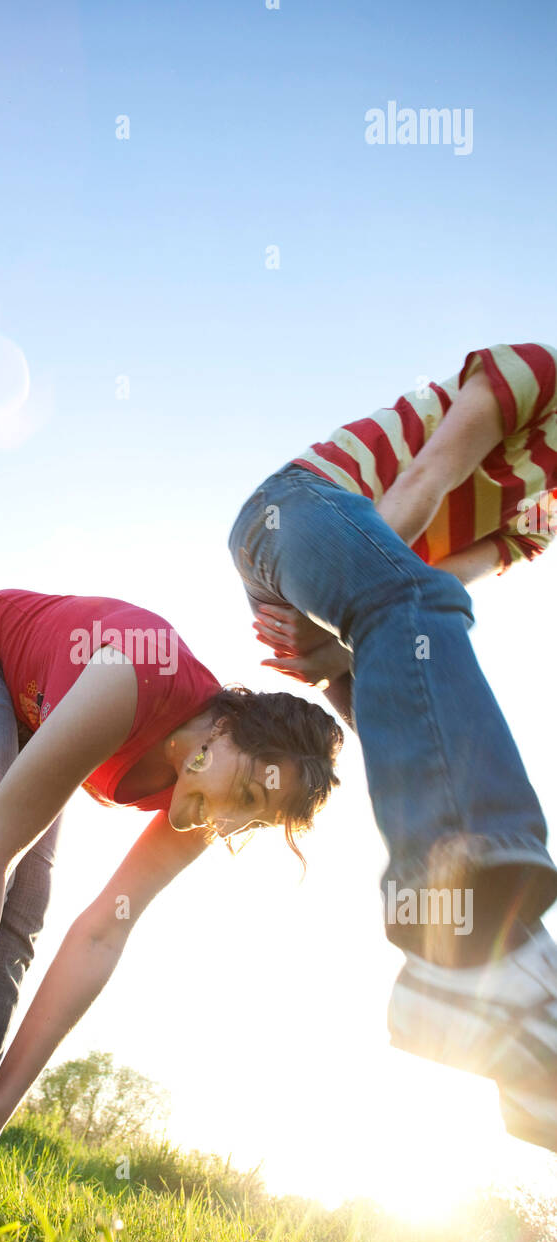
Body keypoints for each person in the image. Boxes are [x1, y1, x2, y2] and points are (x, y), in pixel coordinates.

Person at [0, 589, 343, 1195]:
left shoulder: (204, 793)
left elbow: (103, 933)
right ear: (228, 731)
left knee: (20, 917)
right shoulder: (137, 674)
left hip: (36, 724)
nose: (231, 824)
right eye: (251, 799)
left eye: (254, 821)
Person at [227, 340, 557, 1153]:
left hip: (366, 600)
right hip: (300, 510)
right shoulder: (537, 373)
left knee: (402, 711)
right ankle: (468, 969)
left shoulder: (547, 510)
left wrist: (342, 649)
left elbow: (466, 572)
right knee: (411, 600)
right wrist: (347, 625)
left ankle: (511, 990)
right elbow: (418, 486)